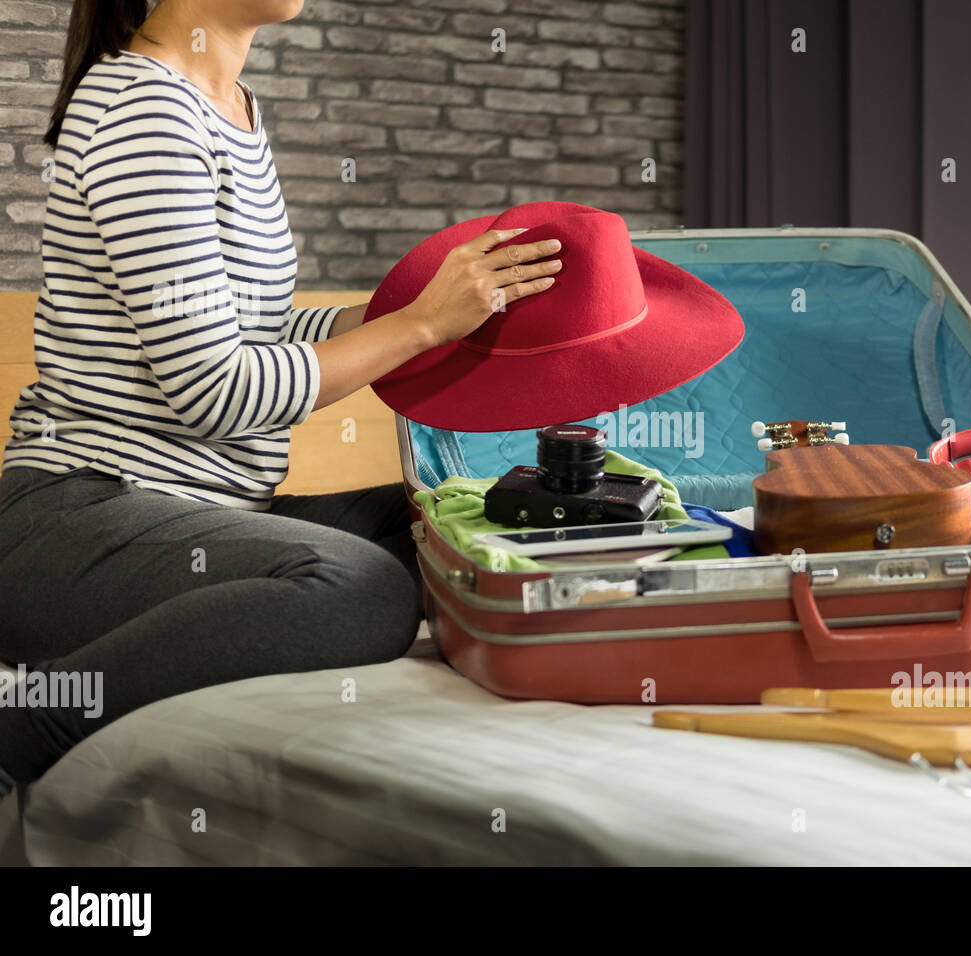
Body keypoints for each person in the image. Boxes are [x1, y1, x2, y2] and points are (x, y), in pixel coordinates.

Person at [0, 0, 563, 796]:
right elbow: (212, 390)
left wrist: (431, 313)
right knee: (360, 590)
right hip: (74, 517)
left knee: (451, 519)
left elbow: (253, 330)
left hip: (216, 513)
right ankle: (26, 726)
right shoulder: (144, 110)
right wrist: (417, 327)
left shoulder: (228, 107)